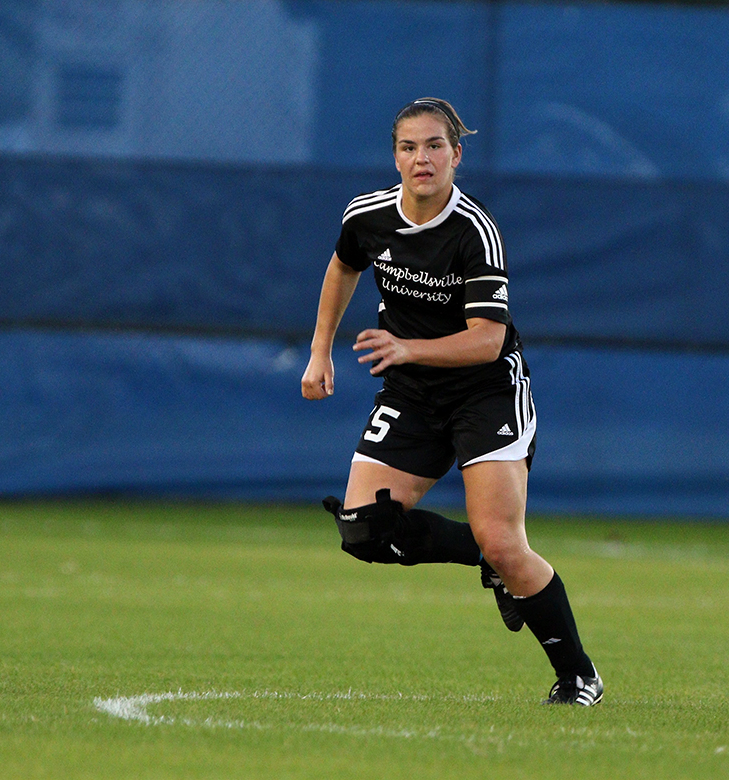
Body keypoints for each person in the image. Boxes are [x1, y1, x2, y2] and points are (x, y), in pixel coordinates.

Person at [301, 97, 602, 706]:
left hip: (485, 393)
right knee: (364, 531)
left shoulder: (473, 231)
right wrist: (320, 352)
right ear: (395, 156)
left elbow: (489, 342)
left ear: (456, 155)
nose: (422, 159)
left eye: (435, 146)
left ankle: (578, 676)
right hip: (413, 394)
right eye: (409, 147)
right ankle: (486, 561)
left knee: (505, 540)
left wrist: (408, 349)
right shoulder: (368, 217)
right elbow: (342, 267)